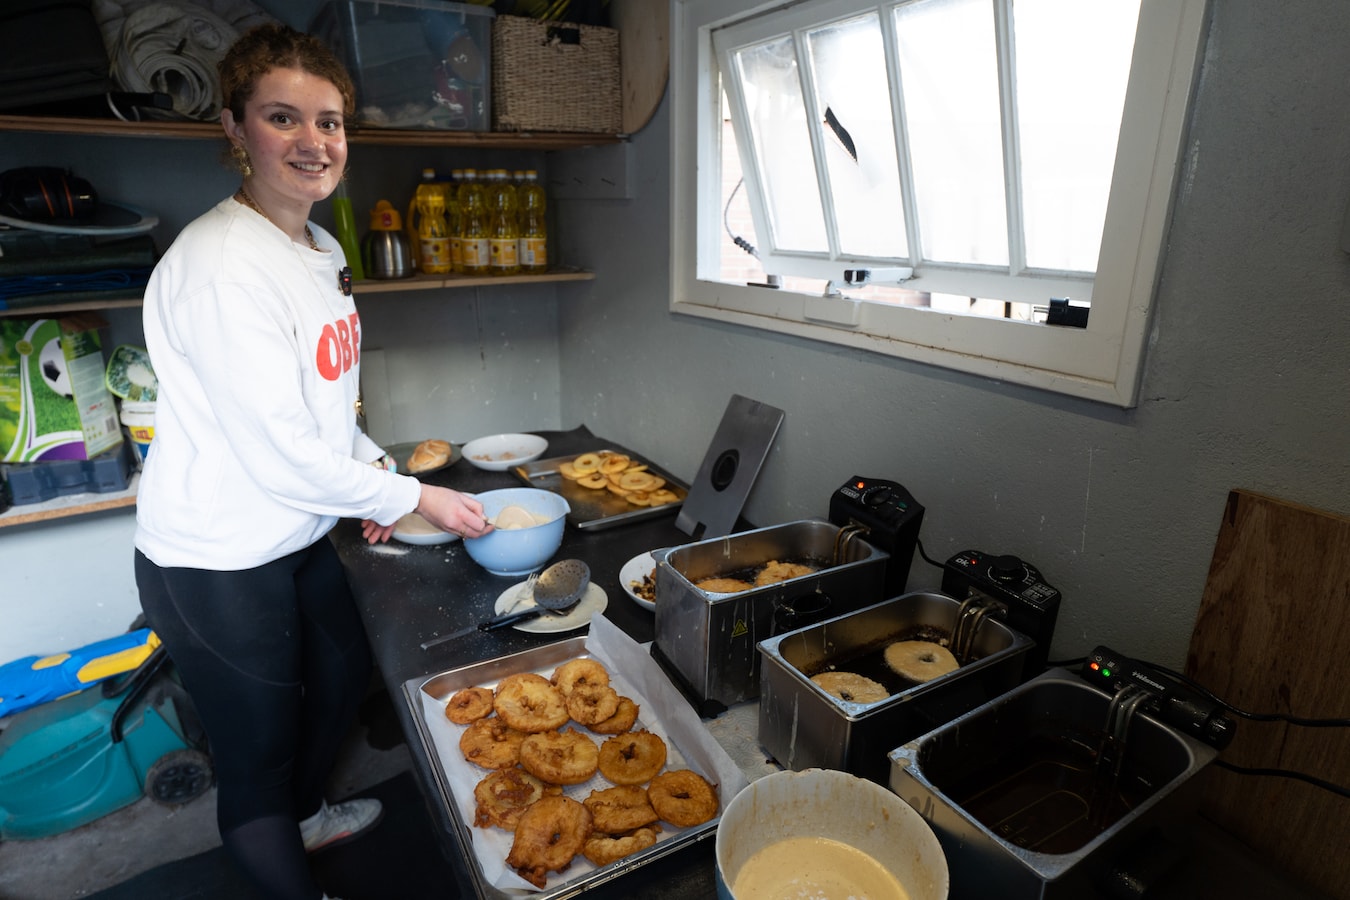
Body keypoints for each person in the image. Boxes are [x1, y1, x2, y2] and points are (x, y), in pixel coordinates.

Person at [132, 23, 491, 900]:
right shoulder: (222, 266)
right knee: (257, 747)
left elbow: (324, 413)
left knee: (335, 680)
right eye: (283, 118)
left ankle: (306, 821)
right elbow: (283, 452)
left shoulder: (318, 247)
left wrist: (371, 472)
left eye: (329, 122)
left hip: (291, 533)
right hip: (214, 553)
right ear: (235, 128)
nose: (312, 142)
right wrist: (416, 494)